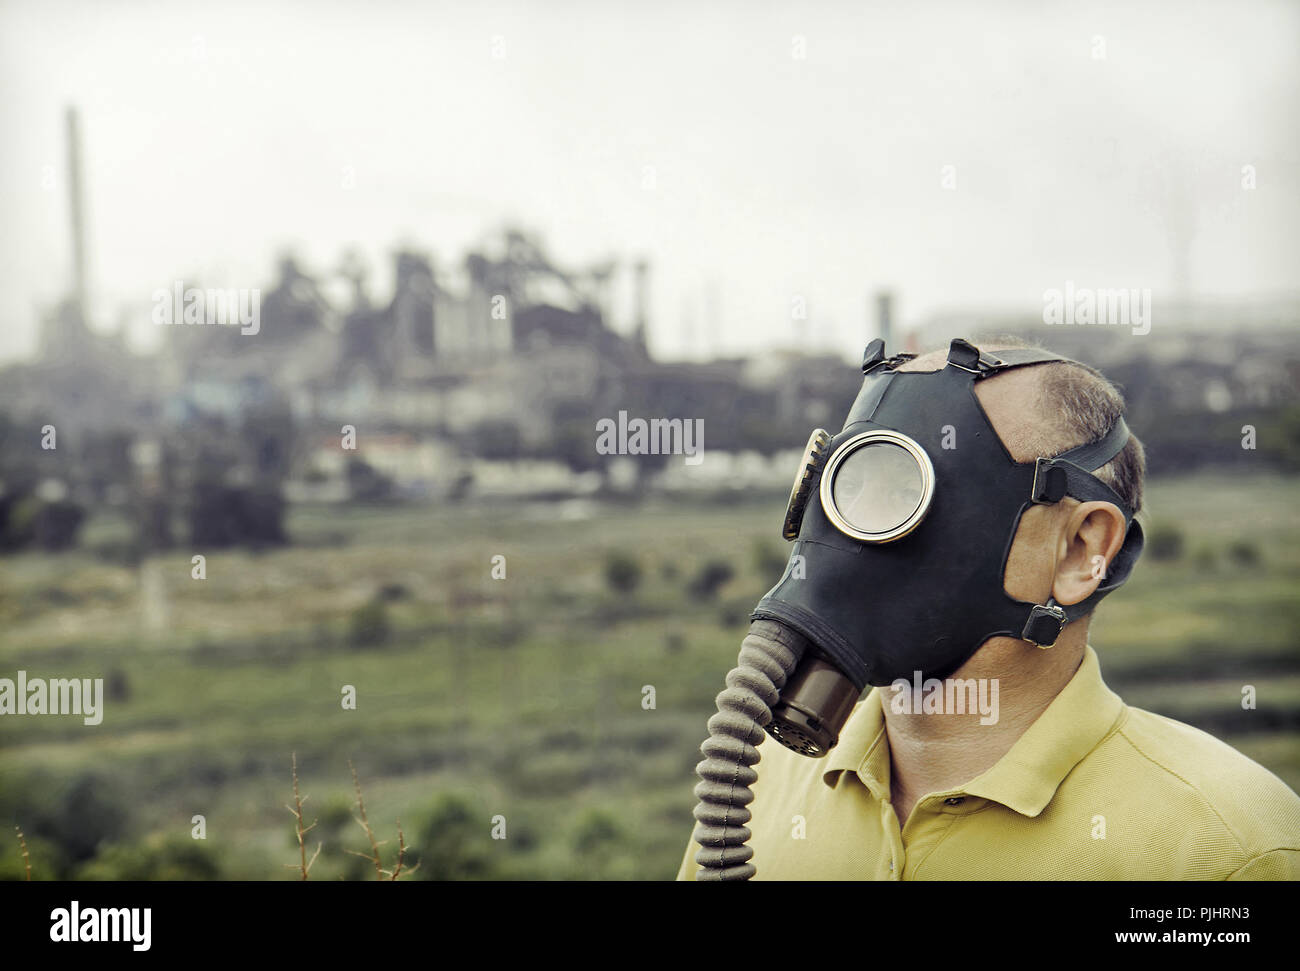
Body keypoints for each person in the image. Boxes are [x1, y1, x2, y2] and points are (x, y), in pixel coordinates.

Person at [677, 339, 1300, 880]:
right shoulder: (748, 796)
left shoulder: (1235, 848)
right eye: (849, 481)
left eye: (903, 489)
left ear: (1081, 549)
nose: (849, 535)